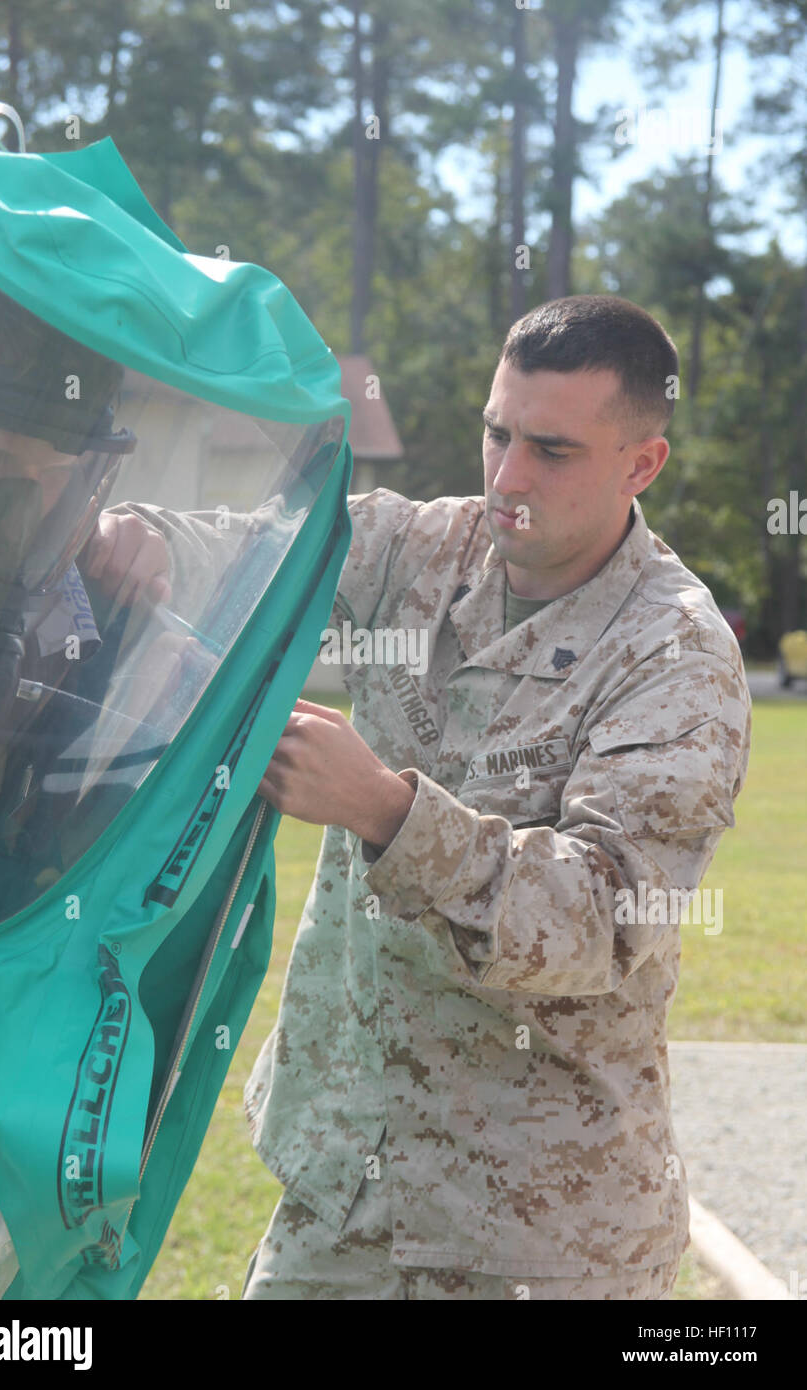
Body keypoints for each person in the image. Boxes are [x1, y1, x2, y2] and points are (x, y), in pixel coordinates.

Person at [240, 294, 752, 1300]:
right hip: (342, 1194)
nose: (507, 478)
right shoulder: (425, 551)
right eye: (496, 434)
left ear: (640, 464)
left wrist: (386, 812)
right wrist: (119, 540)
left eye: (552, 451)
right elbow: (245, 552)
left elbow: (605, 915)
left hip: (539, 1234)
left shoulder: (675, 654)